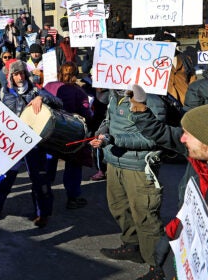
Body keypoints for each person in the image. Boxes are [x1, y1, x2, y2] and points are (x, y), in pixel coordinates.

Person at [88, 85, 167, 273]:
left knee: (146, 216)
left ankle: (158, 268)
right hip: (115, 162)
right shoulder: (115, 95)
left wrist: (112, 139)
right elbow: (108, 120)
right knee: (119, 207)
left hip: (139, 167)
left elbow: (153, 138)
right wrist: (101, 133)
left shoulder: (152, 99)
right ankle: (132, 246)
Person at [128, 102, 208, 280]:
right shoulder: (198, 159)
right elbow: (164, 134)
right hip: (183, 232)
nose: (182, 139)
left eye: (188, 134)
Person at [0, 60, 63, 227]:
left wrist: (42, 98)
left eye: (22, 73)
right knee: (3, 178)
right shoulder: (1, 93)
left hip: (34, 145)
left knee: (39, 180)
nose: (19, 77)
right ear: (10, 76)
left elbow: (59, 103)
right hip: (11, 145)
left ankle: (42, 213)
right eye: (15, 74)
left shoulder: (36, 90)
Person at [43, 62, 93, 209]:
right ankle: (73, 197)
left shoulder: (49, 86)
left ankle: (45, 191)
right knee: (73, 164)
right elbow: (87, 114)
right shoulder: (79, 91)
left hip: (50, 132)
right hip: (71, 134)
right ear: (75, 75)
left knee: (49, 161)